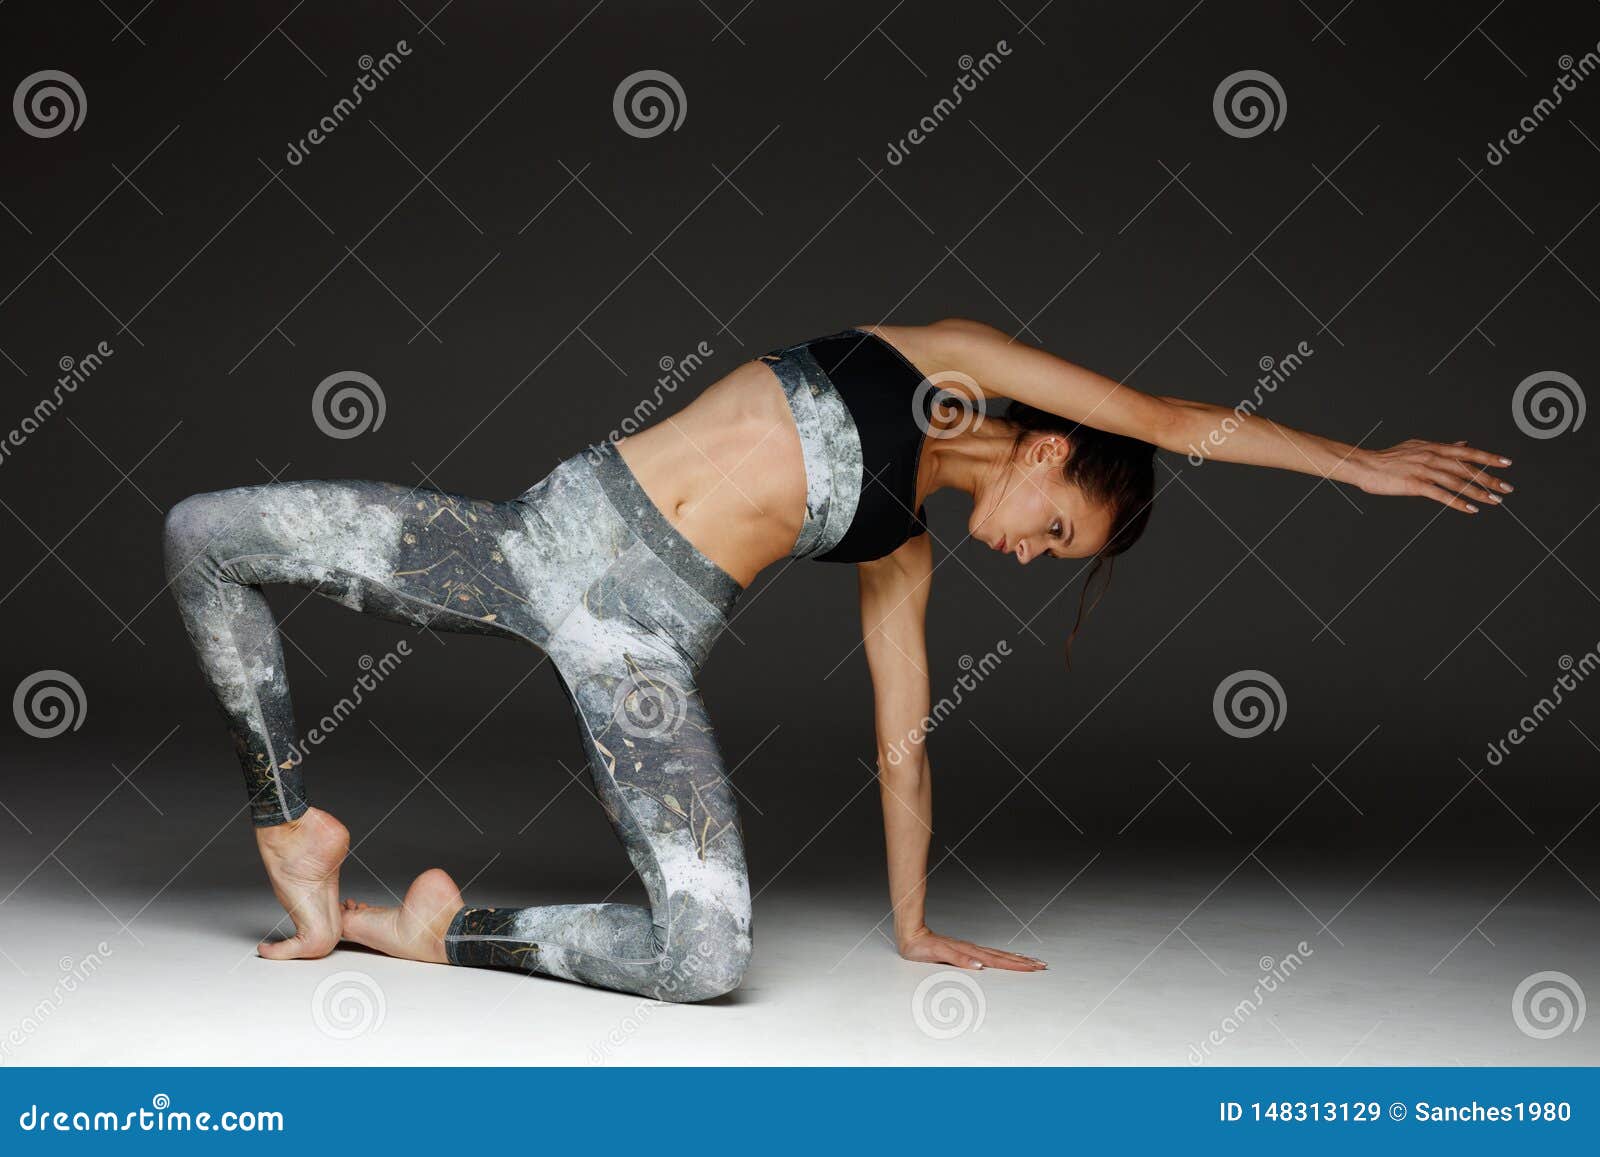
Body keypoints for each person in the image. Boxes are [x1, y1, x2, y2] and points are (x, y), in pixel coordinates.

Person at [162, 317, 1512, 1001]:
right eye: (1061, 525)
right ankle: (295, 832)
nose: (1036, 553)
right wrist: (1358, 467)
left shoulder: (899, 536)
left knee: (705, 957)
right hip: (532, 547)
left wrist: (915, 924)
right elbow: (1162, 414)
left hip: (636, 649)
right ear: (1048, 448)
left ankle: (434, 928)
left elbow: (902, 735)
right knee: (203, 538)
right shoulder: (941, 365)